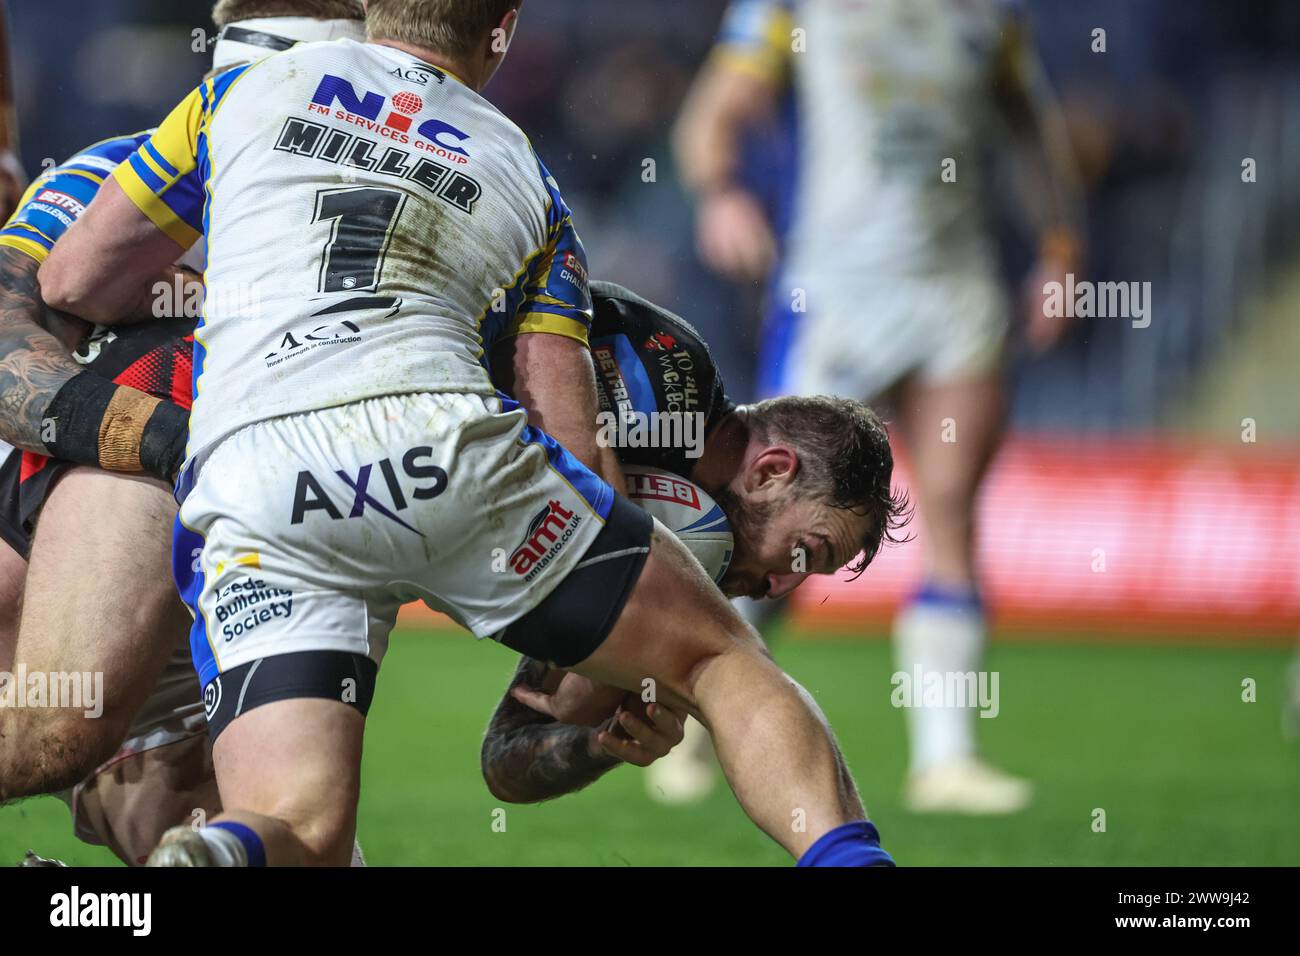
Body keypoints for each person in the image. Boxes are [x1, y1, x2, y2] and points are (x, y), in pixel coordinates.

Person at [41, 0, 897, 867]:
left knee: (299, 825)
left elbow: (74, 278)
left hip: (247, 465)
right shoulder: (521, 165)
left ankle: (218, 857)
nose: (789, 583)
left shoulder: (249, 90)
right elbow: (565, 428)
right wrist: (596, 608)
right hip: (431, 439)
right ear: (504, 29)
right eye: (811, 552)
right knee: (725, 664)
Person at [673, 0, 1085, 813]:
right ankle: (692, 716)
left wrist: (1061, 248)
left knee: (955, 507)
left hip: (955, 290)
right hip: (835, 293)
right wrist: (719, 192)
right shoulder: (795, 8)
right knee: (771, 513)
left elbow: (1037, 135)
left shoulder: (987, 19)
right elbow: (712, 113)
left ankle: (945, 760)